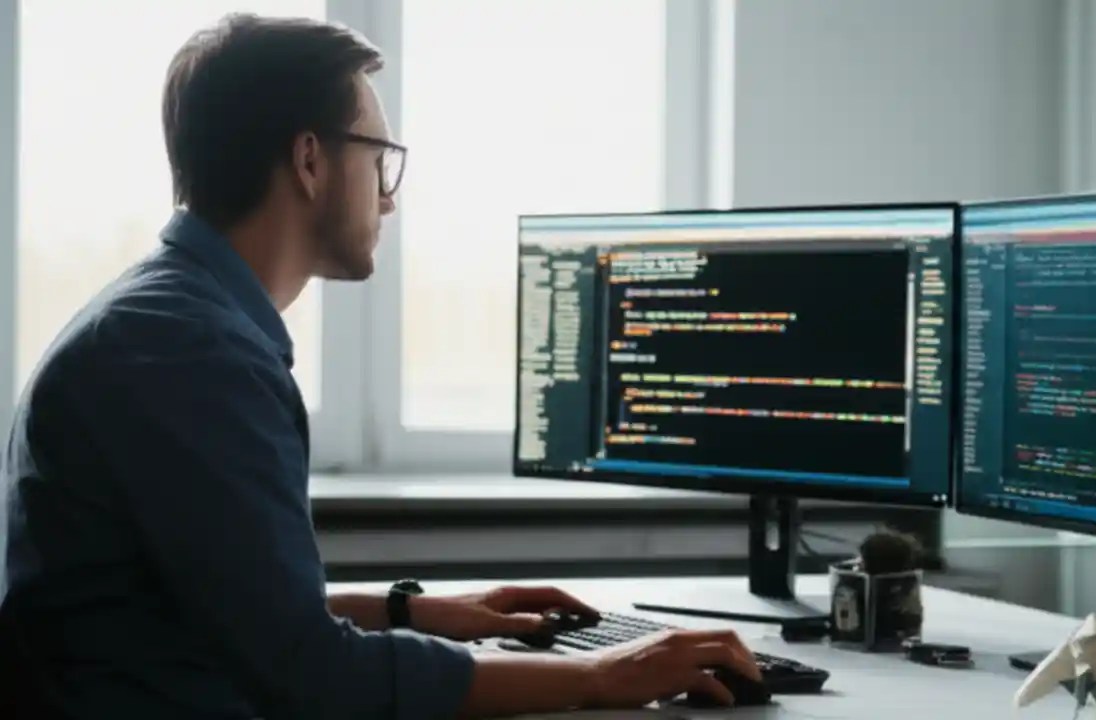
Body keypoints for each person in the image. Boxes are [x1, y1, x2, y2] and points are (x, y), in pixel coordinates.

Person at [0, 14, 760, 719]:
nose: (388, 201)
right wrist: (600, 676)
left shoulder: (166, 323)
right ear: (309, 160)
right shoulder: (191, 355)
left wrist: (415, 610)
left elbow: (235, 612)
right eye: (379, 160)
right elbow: (312, 674)